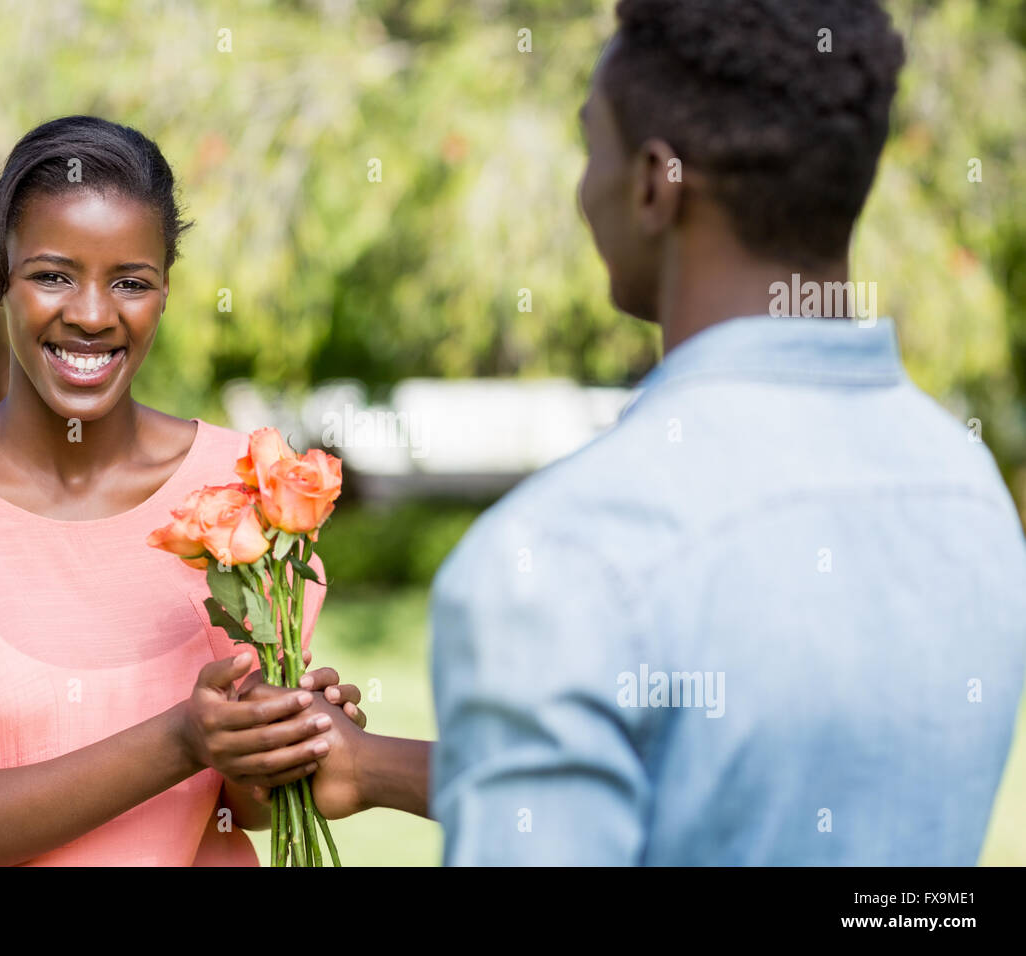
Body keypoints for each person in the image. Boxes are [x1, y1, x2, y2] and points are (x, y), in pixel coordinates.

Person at [269, 0, 1026, 865]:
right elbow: (745, 785)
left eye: (593, 148)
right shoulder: (969, 495)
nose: (583, 189)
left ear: (653, 184)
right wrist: (370, 766)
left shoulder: (559, 554)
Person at [0, 115, 363, 866]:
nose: (91, 314)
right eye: (52, 274)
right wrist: (180, 739)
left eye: (130, 282)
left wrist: (283, 741)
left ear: (165, 293)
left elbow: (243, 807)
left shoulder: (243, 482)